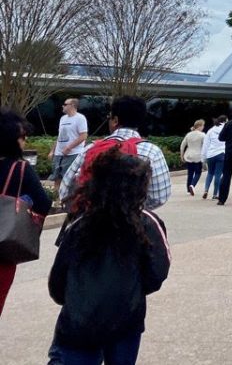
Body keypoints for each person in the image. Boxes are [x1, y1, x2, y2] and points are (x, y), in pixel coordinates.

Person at [47, 147, 171, 364]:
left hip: (78, 322)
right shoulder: (147, 224)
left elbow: (58, 279)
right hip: (126, 320)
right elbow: (157, 273)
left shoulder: (79, 223)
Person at [59, 96, 171, 212]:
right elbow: (160, 196)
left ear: (115, 121)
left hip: (91, 221)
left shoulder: (91, 148)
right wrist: (132, 209)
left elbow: (65, 190)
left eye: (109, 117)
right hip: (131, 222)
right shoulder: (152, 152)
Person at [0, 108, 52, 316]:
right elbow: (43, 203)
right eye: (22, 137)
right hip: (3, 248)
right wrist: (23, 204)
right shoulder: (20, 168)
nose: (25, 141)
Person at [51, 98, 88, 198]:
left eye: (65, 104)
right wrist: (52, 151)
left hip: (73, 154)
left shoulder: (80, 118)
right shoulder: (63, 119)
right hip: (59, 154)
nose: (62, 106)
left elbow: (83, 135)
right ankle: (57, 200)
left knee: (68, 179)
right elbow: (59, 136)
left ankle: (67, 200)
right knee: (57, 178)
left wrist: (69, 147)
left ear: (72, 105)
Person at [201, 115, 227, 200]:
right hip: (221, 154)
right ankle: (215, 194)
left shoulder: (210, 131)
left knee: (210, 173)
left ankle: (206, 190)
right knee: (218, 175)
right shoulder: (226, 129)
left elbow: (205, 145)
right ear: (225, 121)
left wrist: (203, 158)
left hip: (210, 155)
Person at [179, 120, 206, 196]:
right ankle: (192, 185)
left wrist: (182, 155)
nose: (203, 127)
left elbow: (182, 145)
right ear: (199, 126)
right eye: (203, 126)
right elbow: (205, 146)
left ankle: (188, 189)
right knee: (198, 172)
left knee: (190, 173)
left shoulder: (188, 134)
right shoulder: (202, 135)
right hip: (198, 155)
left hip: (189, 155)